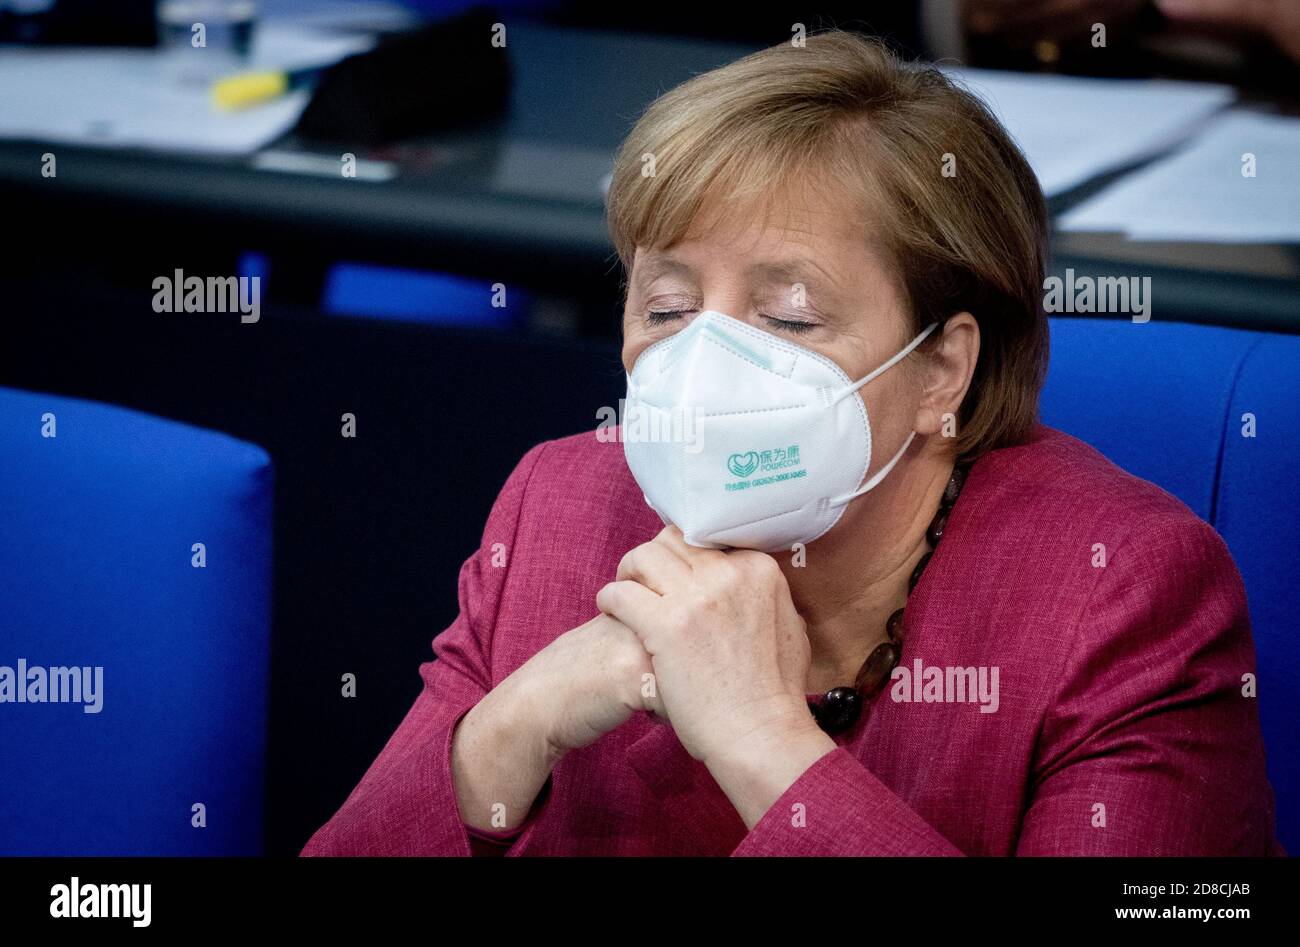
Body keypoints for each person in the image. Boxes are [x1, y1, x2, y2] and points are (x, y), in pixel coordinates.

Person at [300, 30, 1282, 856]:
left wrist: (761, 737)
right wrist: (513, 724)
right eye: (668, 305)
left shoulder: (1122, 593)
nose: (705, 362)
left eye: (792, 317)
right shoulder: (557, 506)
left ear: (942, 367)